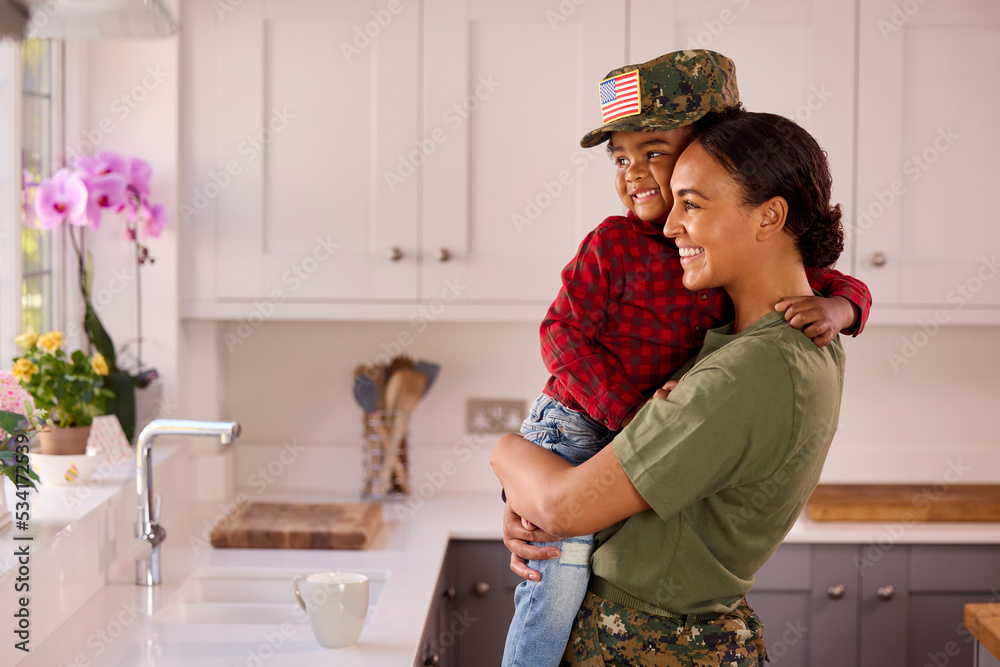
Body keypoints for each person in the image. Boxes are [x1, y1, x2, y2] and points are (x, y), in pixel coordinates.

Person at [500, 49, 870, 667]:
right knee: (544, 579)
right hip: (584, 433)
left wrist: (508, 457)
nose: (670, 219)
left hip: (652, 641)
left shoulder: (760, 362)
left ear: (767, 214)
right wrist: (532, 498)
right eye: (622, 158)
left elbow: (563, 505)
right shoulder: (739, 320)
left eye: (691, 199)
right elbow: (563, 336)